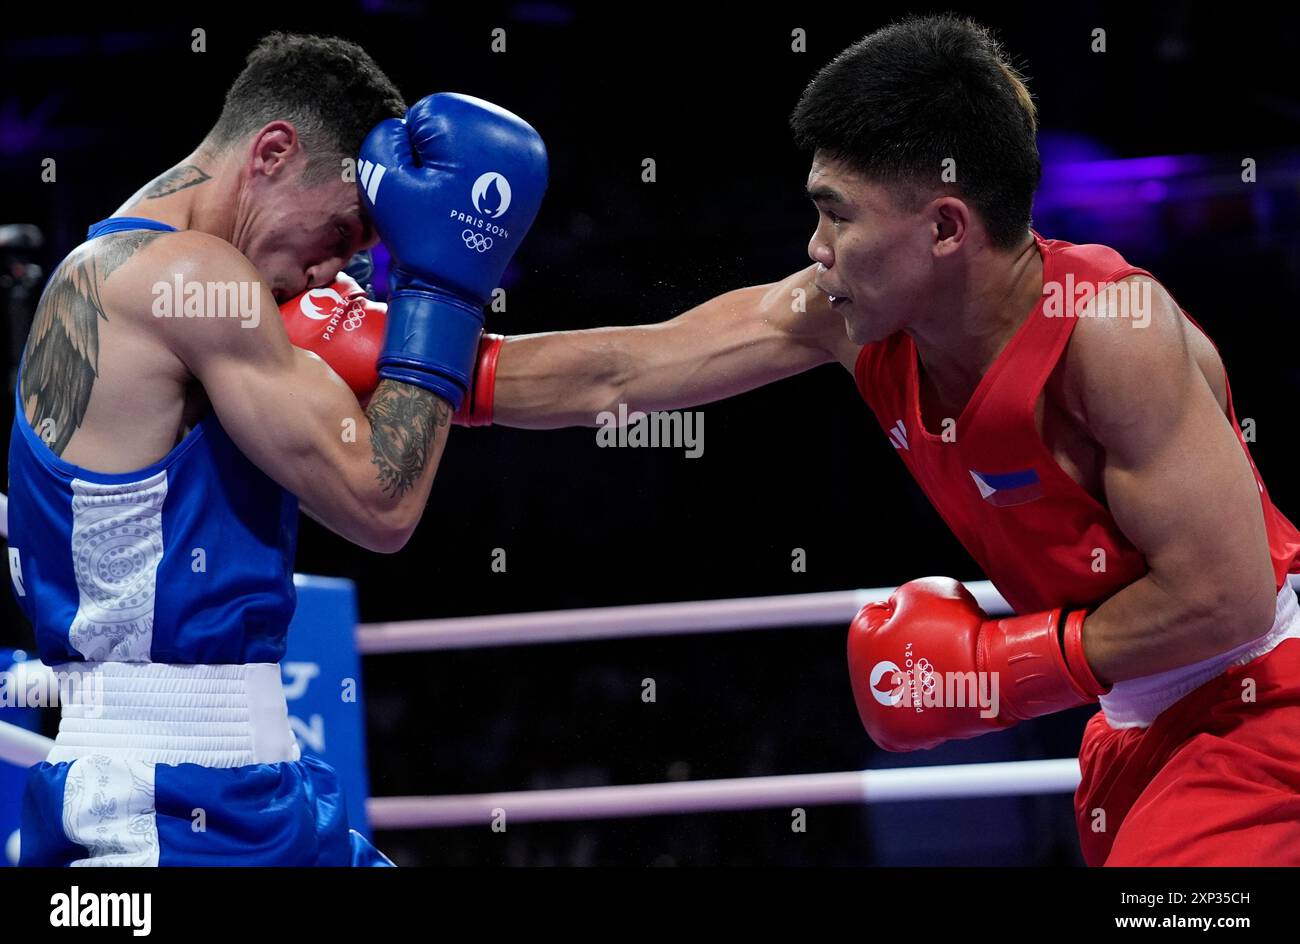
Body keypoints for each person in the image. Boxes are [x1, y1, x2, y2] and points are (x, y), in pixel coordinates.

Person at [287, 15, 1300, 865]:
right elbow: (629, 369)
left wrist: (1006, 664)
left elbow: (1228, 592)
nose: (813, 246)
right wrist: (402, 350)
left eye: (836, 214)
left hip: (1256, 706)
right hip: (1131, 721)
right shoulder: (846, 314)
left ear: (946, 227)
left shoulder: (1109, 336)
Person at [7, 31, 547, 865]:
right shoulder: (189, 284)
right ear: (272, 151)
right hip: (162, 798)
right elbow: (382, 500)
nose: (339, 272)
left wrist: (794, 318)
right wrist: (444, 288)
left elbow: (572, 377)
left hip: (257, 781)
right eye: (341, 232)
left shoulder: (155, 281)